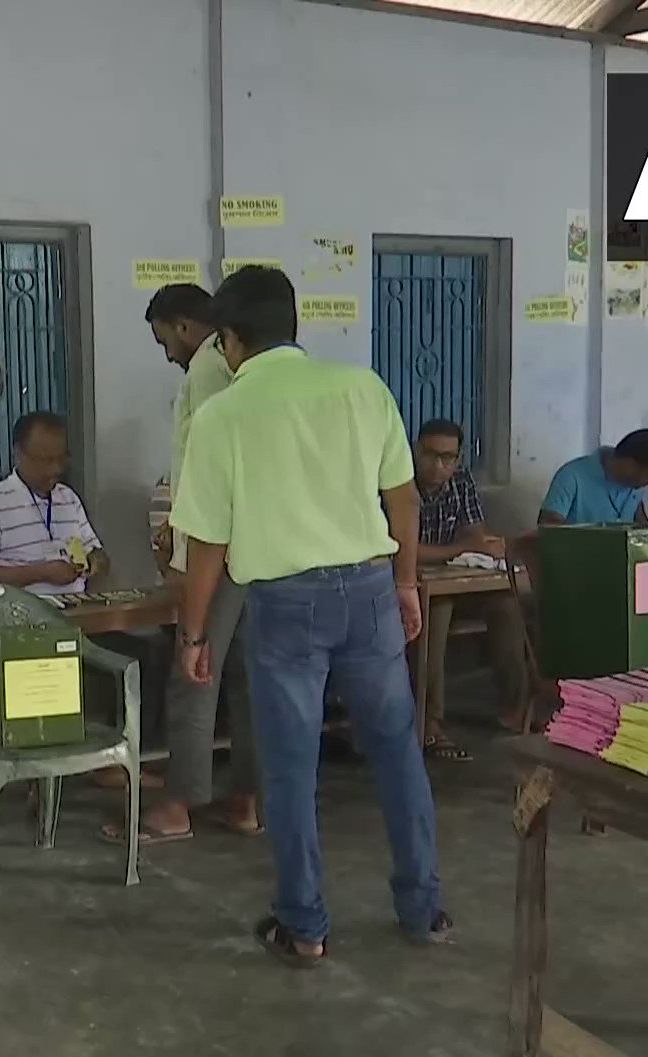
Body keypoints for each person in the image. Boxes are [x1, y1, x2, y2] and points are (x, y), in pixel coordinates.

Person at [172, 266, 451, 966]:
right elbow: (403, 500)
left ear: (229, 340)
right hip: (370, 591)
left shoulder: (221, 417)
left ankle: (304, 925)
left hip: (285, 605)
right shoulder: (362, 387)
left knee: (291, 769)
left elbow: (208, 546)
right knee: (396, 752)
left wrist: (194, 634)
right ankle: (422, 910)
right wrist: (406, 584)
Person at [104, 283, 257, 844]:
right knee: (243, 676)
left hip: (217, 552)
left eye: (163, 338)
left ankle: (178, 805)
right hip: (247, 547)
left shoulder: (209, 369)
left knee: (193, 671)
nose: (165, 351)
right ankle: (245, 799)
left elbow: (215, 469)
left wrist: (191, 545)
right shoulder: (235, 368)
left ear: (185, 326)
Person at [410, 418, 525, 761]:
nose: (438, 465)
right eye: (430, 455)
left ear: (458, 459)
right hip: (408, 586)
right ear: (416, 451)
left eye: (448, 458)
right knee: (438, 606)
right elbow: (401, 549)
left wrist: (480, 545)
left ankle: (516, 710)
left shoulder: (461, 481)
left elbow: (477, 533)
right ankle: (429, 724)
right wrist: (457, 548)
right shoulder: (397, 484)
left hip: (454, 579)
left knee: (507, 603)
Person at [0, 411, 107, 595]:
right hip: (20, 611)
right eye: (46, 460)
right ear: (18, 454)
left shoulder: (69, 499)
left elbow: (97, 553)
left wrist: (94, 562)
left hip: (75, 607)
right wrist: (41, 573)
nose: (56, 469)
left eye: (61, 459)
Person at [538, 428, 648, 526]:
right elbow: (548, 525)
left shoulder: (634, 487)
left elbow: (642, 527)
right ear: (630, 464)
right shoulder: (571, 475)